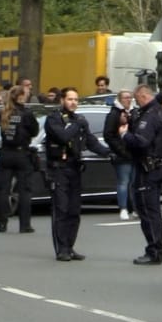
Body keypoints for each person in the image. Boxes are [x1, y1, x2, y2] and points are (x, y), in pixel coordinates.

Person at [43, 87, 111, 261]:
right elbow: (63, 137)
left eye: (76, 100)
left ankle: (70, 246)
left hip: (75, 168)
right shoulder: (54, 119)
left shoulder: (79, 120)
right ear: (62, 100)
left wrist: (109, 153)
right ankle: (61, 249)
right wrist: (76, 125)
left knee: (74, 210)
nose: (73, 103)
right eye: (70, 99)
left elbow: (91, 141)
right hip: (59, 169)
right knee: (62, 209)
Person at [122, 84, 162, 265]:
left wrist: (124, 135)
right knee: (151, 210)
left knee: (148, 211)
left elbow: (141, 141)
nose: (135, 102)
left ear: (142, 96)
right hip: (154, 168)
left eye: (136, 98)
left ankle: (154, 249)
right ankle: (155, 247)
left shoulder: (149, 116)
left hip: (147, 169)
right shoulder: (158, 112)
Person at [0, 86, 40, 233]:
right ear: (22, 97)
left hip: (5, 153)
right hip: (21, 154)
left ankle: (2, 222)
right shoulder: (26, 113)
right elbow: (34, 131)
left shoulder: (3, 112)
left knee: (2, 189)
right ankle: (24, 224)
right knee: (25, 190)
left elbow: (1, 128)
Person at [104, 89, 135, 221]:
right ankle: (123, 208)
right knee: (123, 181)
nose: (128, 100)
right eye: (125, 98)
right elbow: (108, 135)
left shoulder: (134, 112)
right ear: (120, 99)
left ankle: (133, 208)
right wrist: (121, 150)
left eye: (130, 97)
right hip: (121, 154)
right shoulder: (114, 114)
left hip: (134, 153)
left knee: (133, 183)